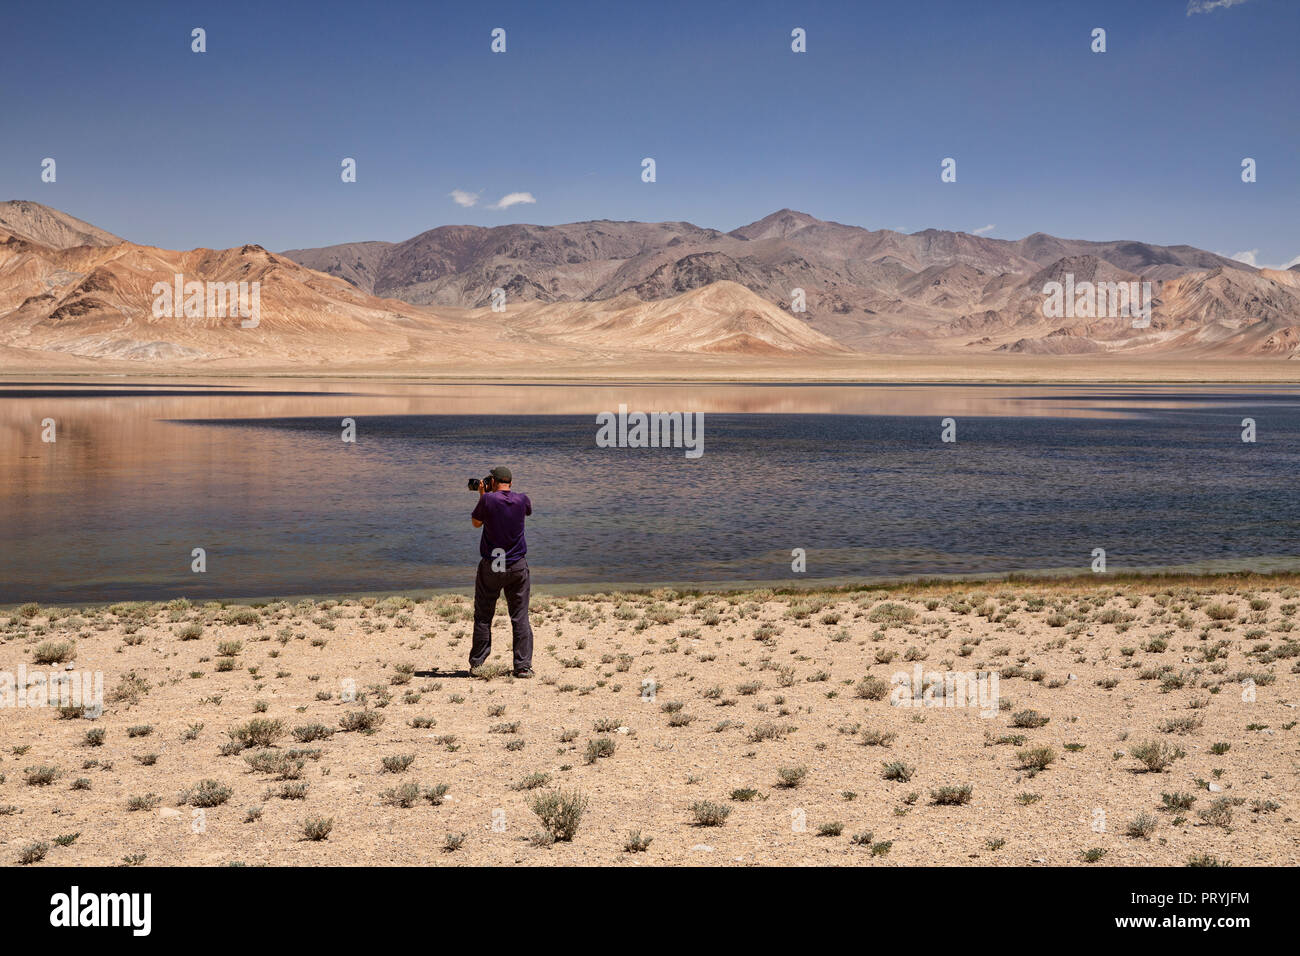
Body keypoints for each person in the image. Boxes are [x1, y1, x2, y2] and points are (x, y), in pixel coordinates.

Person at [469, 466, 534, 677]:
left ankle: (478, 664)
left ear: (493, 482)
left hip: (493, 563)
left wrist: (482, 495)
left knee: (484, 616)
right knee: (520, 616)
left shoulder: (487, 500)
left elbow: (476, 523)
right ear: (511, 483)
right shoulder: (522, 499)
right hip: (516, 564)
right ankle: (522, 666)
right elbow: (524, 511)